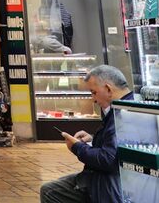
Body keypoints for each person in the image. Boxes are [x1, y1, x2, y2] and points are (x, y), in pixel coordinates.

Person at [40, 65, 133, 203]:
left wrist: (77, 147)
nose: (93, 99)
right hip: (111, 179)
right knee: (58, 185)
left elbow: (108, 159)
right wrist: (93, 140)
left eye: (94, 92)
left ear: (108, 89)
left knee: (50, 191)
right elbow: (116, 146)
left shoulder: (121, 115)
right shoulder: (128, 105)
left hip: (110, 185)